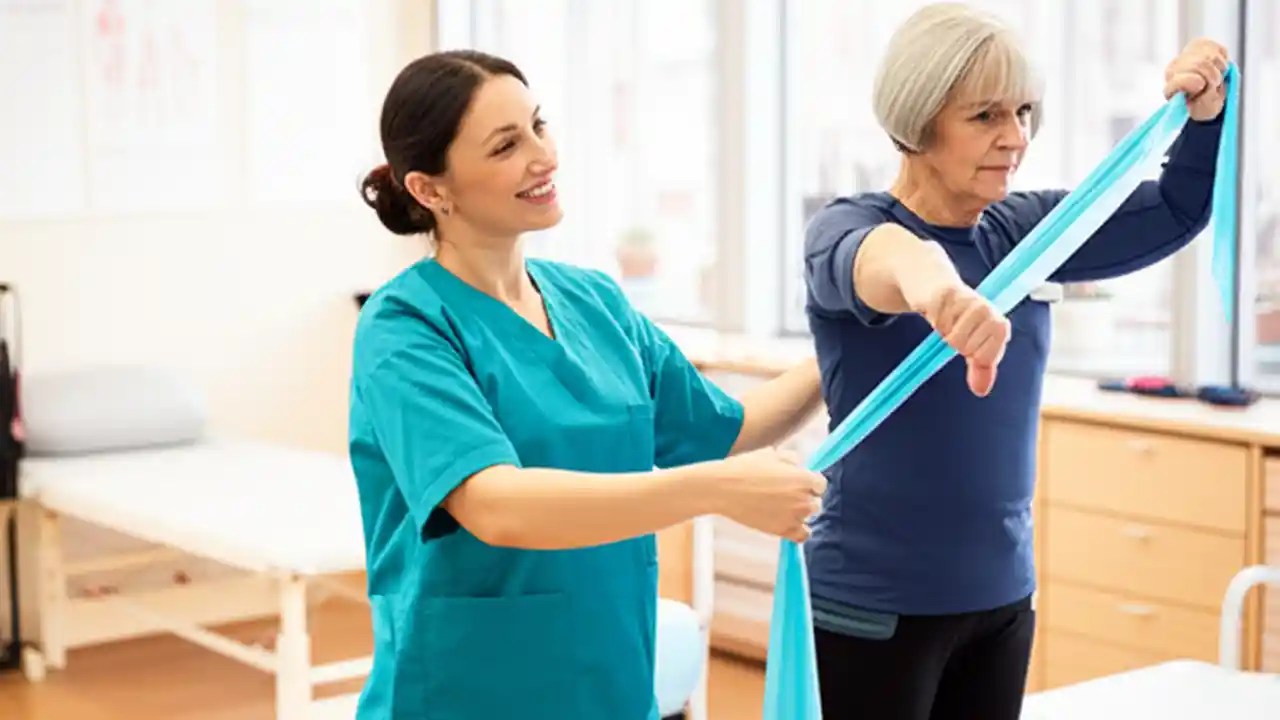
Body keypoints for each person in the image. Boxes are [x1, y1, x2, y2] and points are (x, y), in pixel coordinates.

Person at [348, 49, 826, 720]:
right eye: (506, 145)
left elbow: (726, 428)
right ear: (431, 190)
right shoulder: (404, 326)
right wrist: (715, 491)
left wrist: (852, 349)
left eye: (538, 126)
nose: (544, 156)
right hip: (465, 691)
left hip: (608, 681)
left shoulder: (594, 301)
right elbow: (496, 505)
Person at [802, 4, 1230, 719]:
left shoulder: (1026, 232)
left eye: (1025, 112)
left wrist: (1206, 118)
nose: (1017, 137)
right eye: (986, 117)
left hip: (1001, 603)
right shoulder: (847, 228)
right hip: (875, 607)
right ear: (919, 119)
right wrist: (942, 294)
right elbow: (885, 261)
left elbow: (1176, 210)